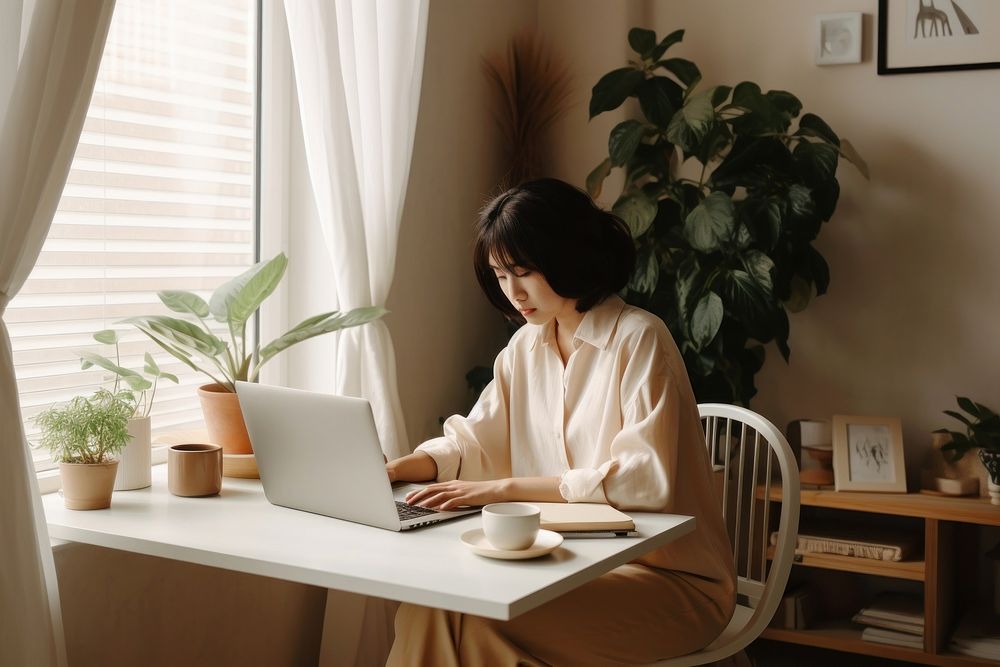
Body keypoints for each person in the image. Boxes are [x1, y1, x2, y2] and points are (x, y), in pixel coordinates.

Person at [385, 178, 735, 666]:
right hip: (566, 565)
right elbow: (471, 441)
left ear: (568, 255)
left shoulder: (638, 340)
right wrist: (399, 469)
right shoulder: (526, 347)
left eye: (523, 272)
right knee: (432, 608)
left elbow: (641, 480)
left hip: (669, 580)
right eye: (500, 276)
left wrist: (504, 489)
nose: (513, 293)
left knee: (484, 621)